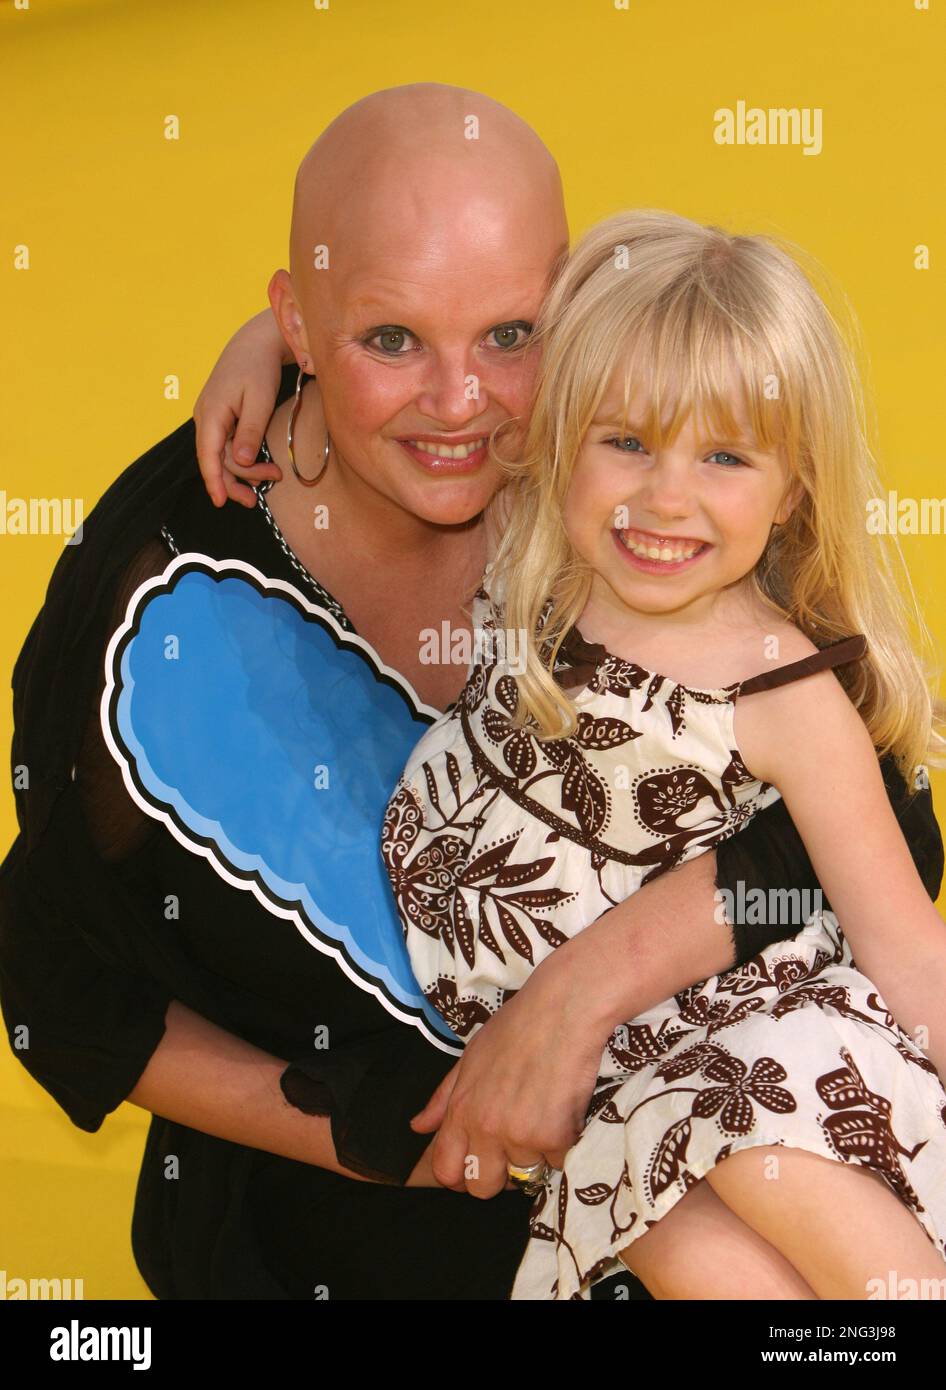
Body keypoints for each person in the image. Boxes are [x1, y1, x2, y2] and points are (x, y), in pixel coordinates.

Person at [0, 85, 940, 1301]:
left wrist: (578, 992)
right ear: (300, 322)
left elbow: (876, 828)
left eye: (510, 333)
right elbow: (58, 987)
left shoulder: (599, 490)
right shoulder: (154, 614)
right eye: (388, 340)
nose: (460, 404)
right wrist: (401, 1140)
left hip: (693, 1089)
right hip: (350, 1232)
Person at [383, 208, 946, 1300]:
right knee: (711, 1271)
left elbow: (905, 942)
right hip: (608, 1082)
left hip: (755, 1038)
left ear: (794, 490)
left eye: (725, 455)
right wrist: (269, 347)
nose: (664, 496)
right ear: (562, 435)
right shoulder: (535, 544)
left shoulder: (783, 687)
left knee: (799, 1193)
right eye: (628, 440)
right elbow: (430, 392)